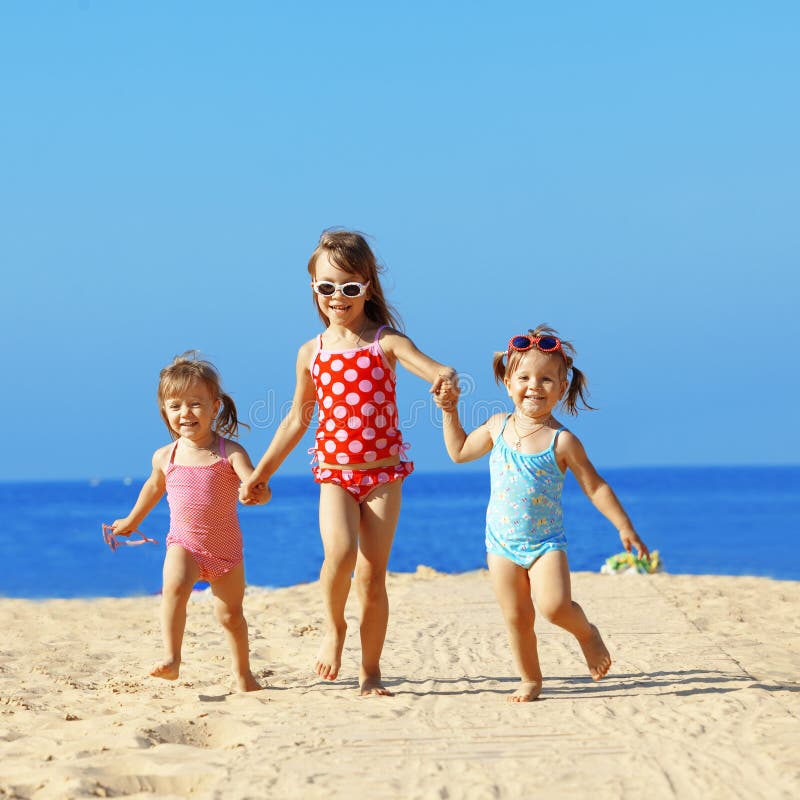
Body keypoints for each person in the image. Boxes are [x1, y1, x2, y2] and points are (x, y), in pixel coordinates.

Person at [240, 229, 456, 696]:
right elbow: (296, 419)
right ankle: (334, 627)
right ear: (314, 290)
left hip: (383, 475)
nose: (339, 297)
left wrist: (444, 377)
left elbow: (428, 367)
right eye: (327, 287)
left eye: (351, 287)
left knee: (373, 577)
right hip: (334, 473)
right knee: (338, 555)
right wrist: (260, 473)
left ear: (368, 288)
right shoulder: (311, 353)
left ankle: (371, 671)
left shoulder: (385, 341)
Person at [434, 325, 648, 702]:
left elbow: (595, 486)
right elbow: (459, 452)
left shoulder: (561, 440)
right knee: (517, 618)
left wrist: (624, 526)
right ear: (506, 381)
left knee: (553, 607)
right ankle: (530, 678)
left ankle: (586, 633)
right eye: (524, 377)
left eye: (547, 379)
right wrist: (450, 411)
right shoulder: (496, 427)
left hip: (546, 542)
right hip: (500, 544)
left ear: (562, 388)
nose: (535, 386)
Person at [110, 352, 270, 692]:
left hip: (225, 551)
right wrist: (131, 519)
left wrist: (256, 493)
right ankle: (172, 659)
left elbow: (253, 483)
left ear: (215, 407)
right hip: (184, 543)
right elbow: (153, 488)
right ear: (165, 413)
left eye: (196, 404)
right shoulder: (164, 456)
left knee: (230, 617)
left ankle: (243, 674)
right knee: (174, 590)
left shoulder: (230, 452)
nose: (186, 413)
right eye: (176, 406)